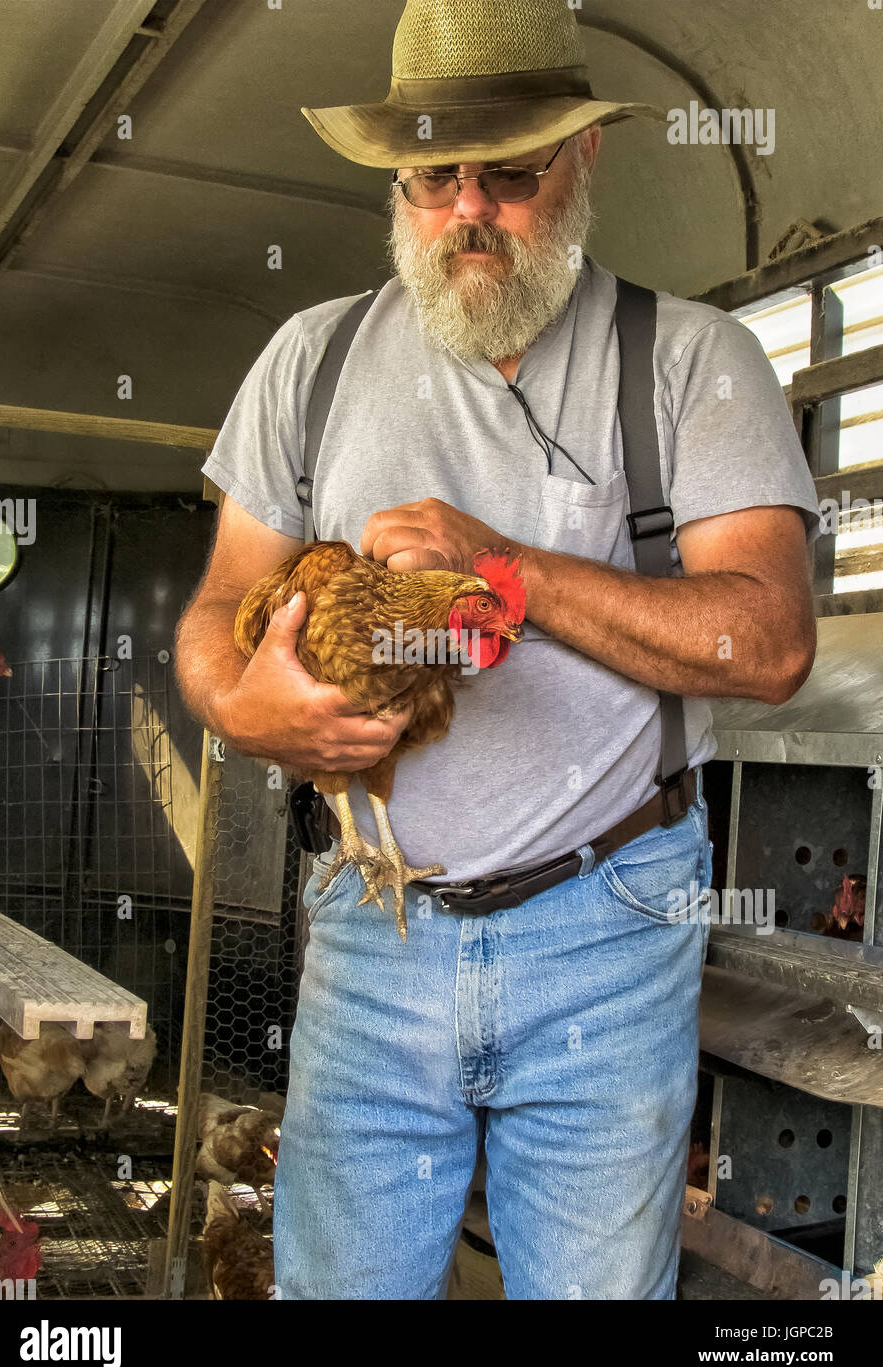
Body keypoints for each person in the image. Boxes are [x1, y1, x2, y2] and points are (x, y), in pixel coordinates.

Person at [176, 0, 819, 1299]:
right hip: (372, 912)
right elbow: (212, 623)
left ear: (580, 160)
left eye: (510, 171)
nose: (467, 208)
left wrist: (505, 575)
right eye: (430, 173)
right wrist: (262, 718)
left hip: (612, 918)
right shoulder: (309, 363)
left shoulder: (692, 359)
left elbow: (766, 641)